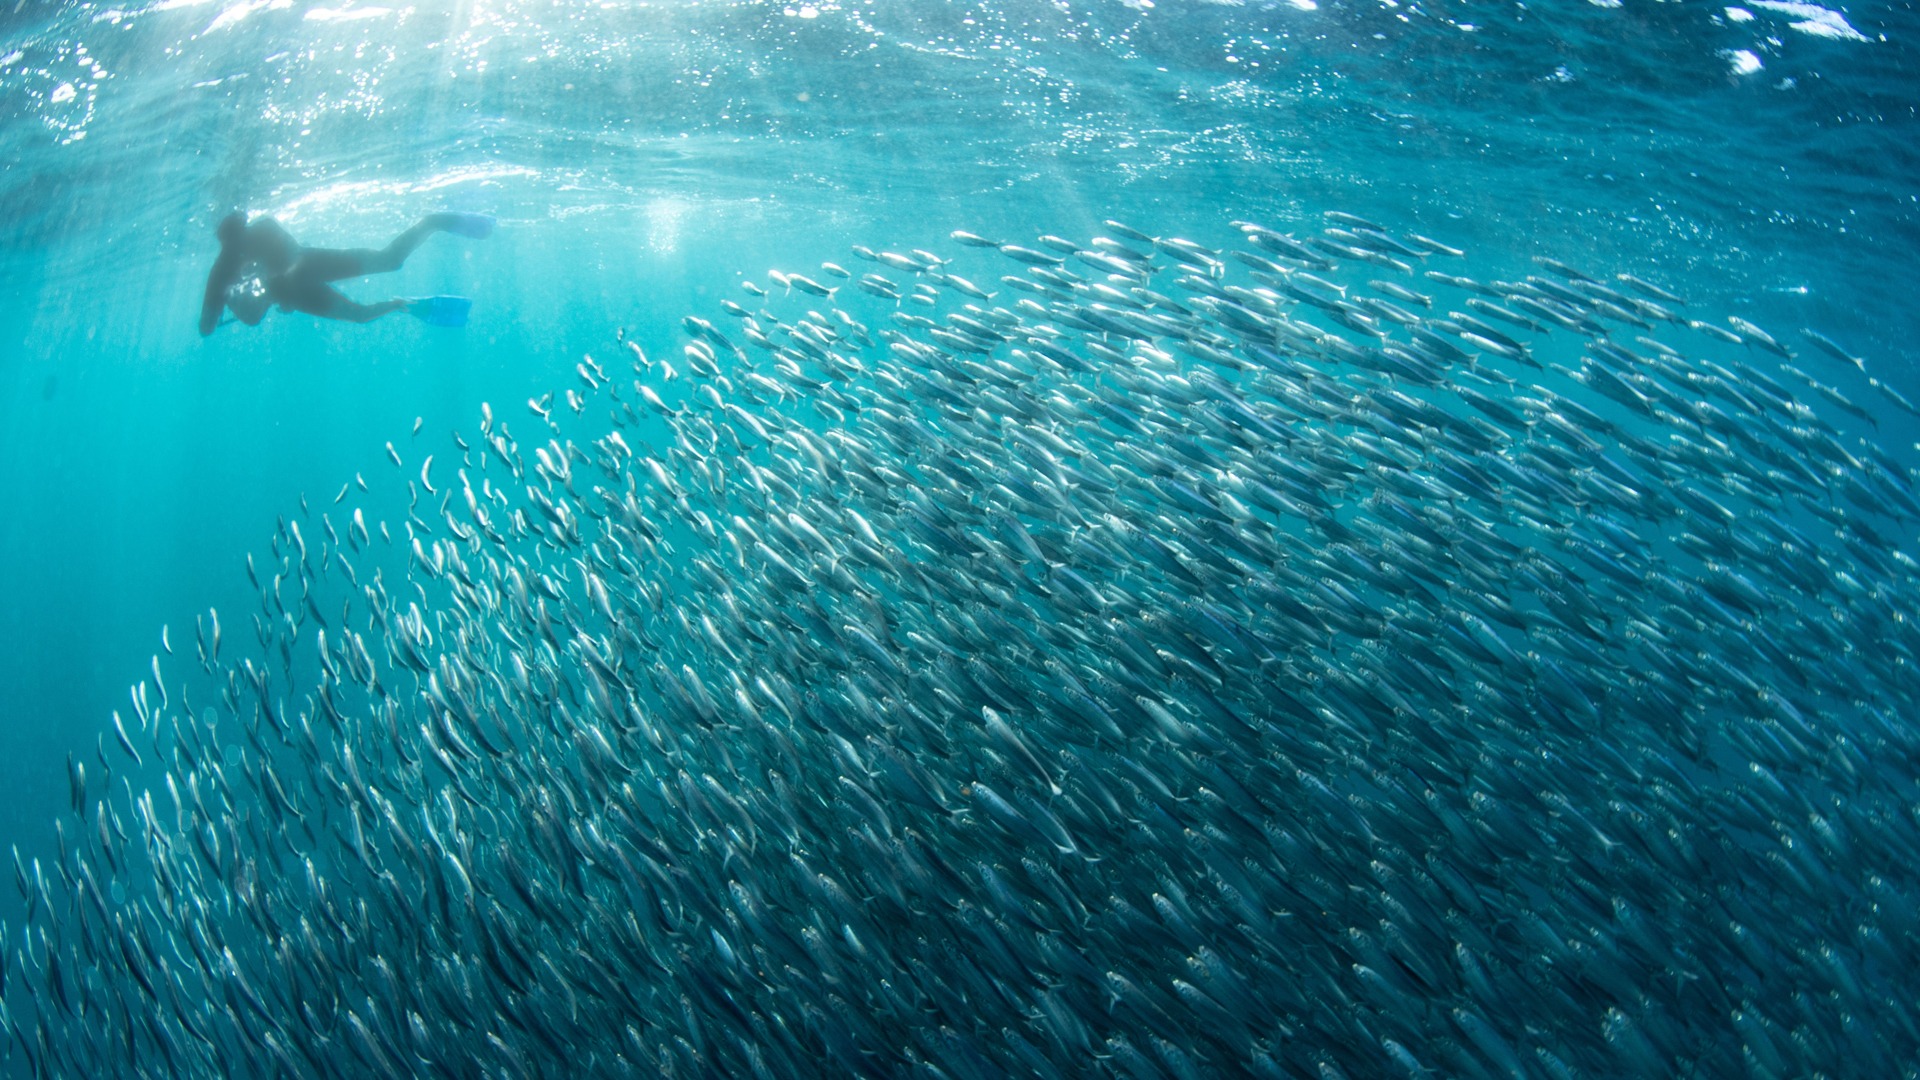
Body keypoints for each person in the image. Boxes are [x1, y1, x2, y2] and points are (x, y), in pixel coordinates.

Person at [198, 210, 493, 335]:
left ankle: (401, 303)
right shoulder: (262, 226)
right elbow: (292, 254)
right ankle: (432, 223)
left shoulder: (220, 272)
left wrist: (250, 298)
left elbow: (207, 328)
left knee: (362, 314)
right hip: (308, 267)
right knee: (389, 262)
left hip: (297, 284)